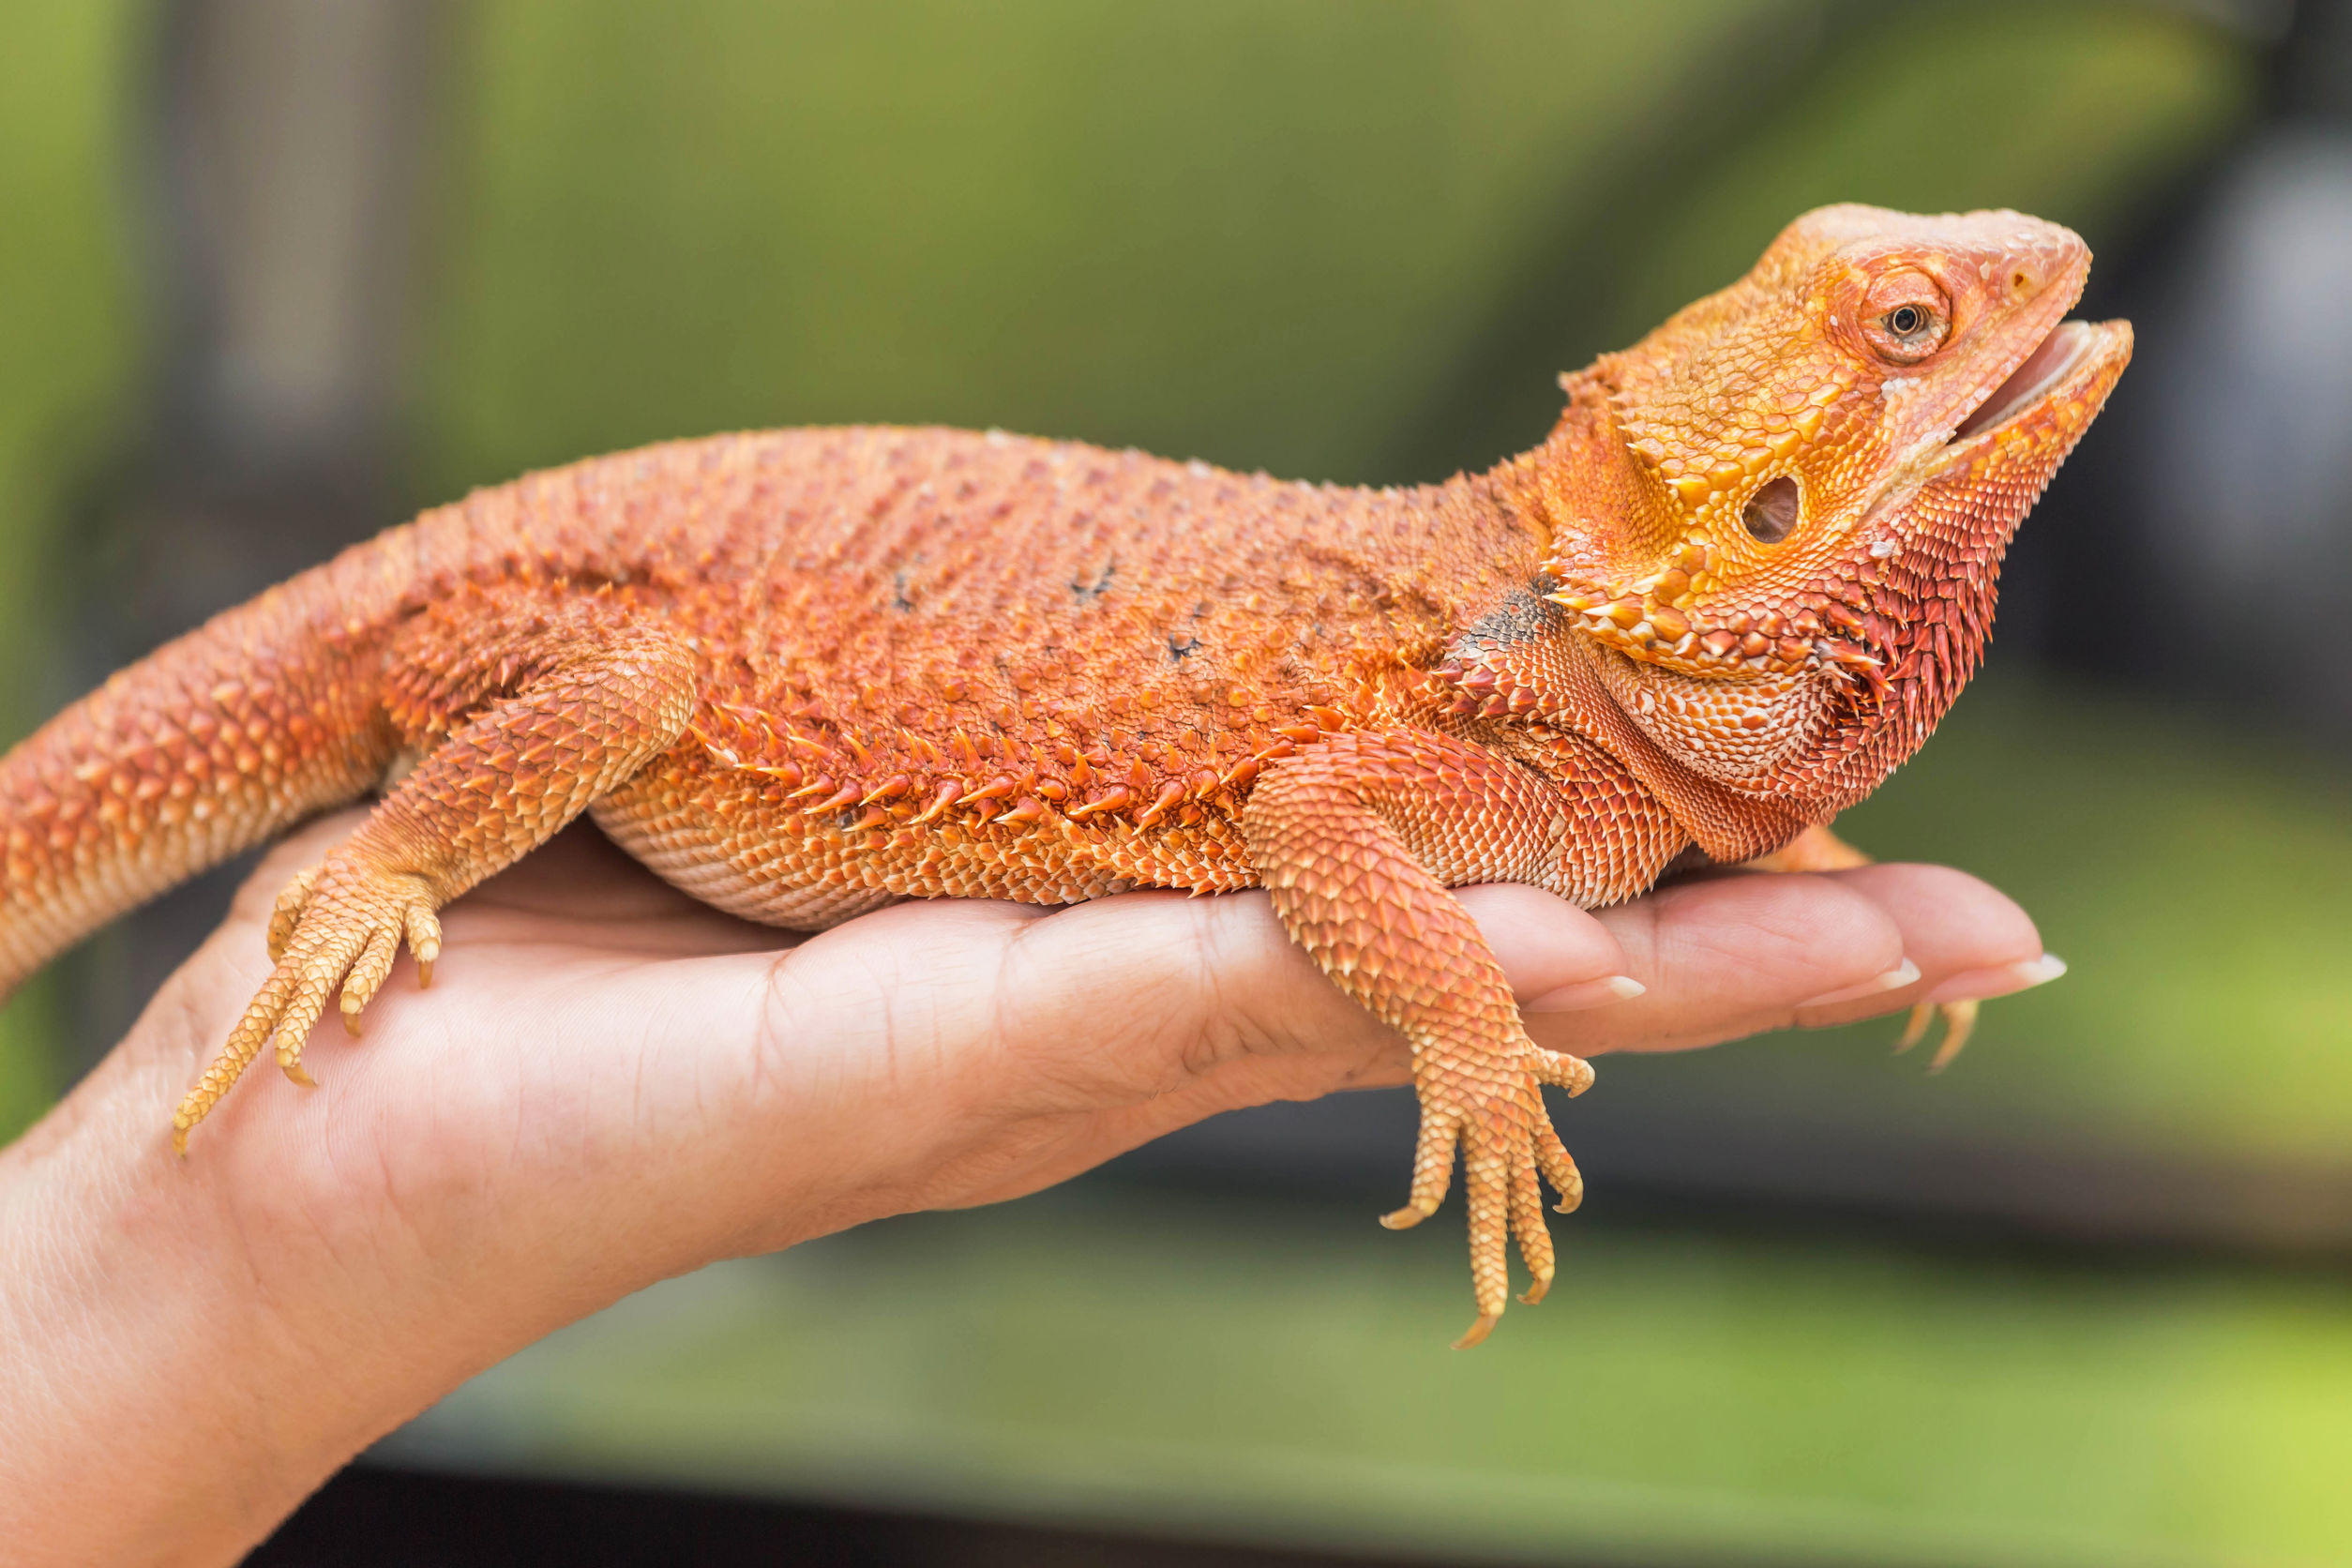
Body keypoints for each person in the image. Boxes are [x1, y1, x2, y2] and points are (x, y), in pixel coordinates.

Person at [0, 808, 2057, 1565]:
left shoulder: (1553, 685)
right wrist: (1464, 1026)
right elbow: (1335, 825)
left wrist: (208, 1281)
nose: (2004, 307)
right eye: (1894, 339)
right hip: (598, 663)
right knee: (613, 691)